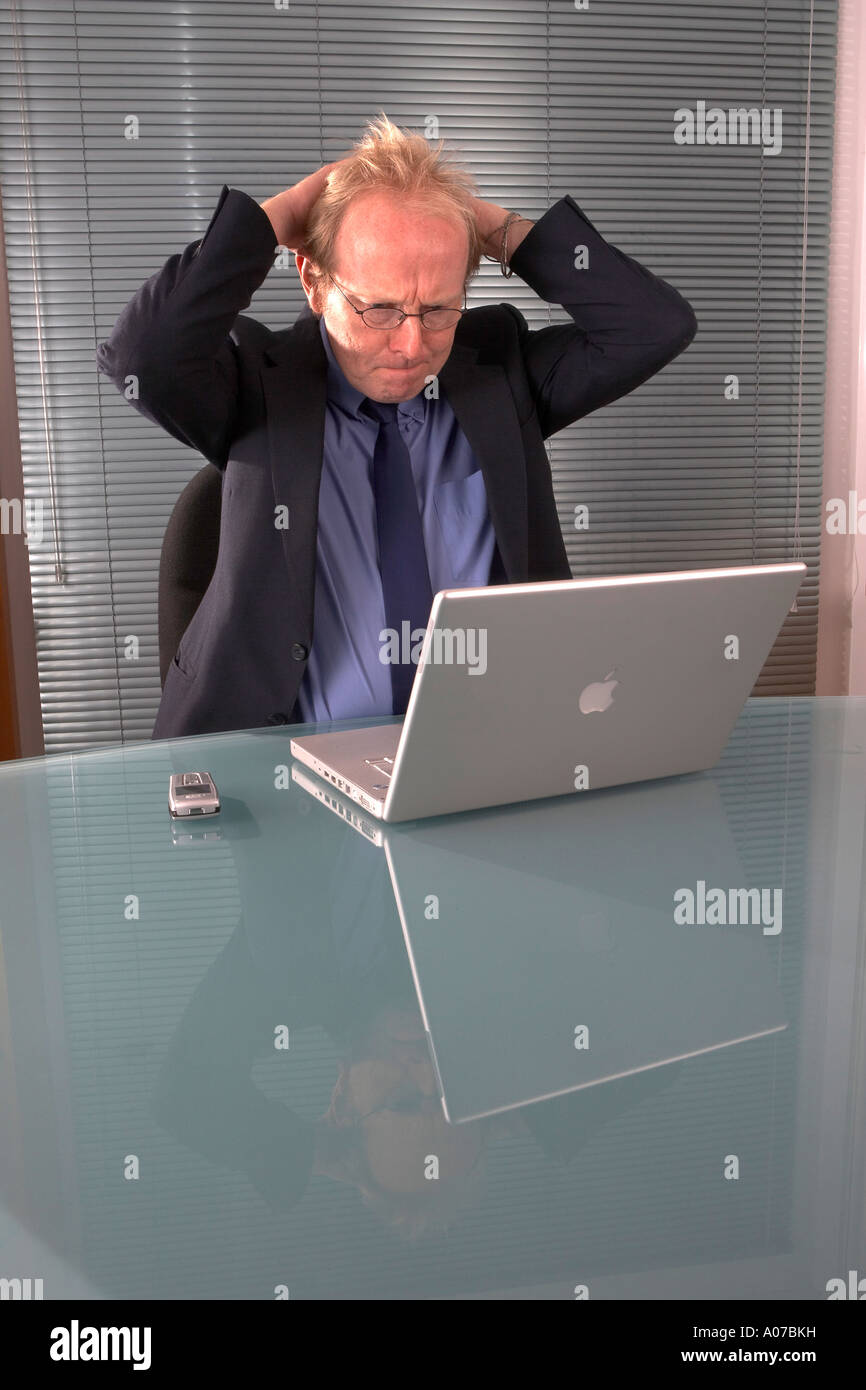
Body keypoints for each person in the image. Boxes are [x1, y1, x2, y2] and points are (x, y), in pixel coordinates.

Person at [96, 113, 697, 740]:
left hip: (486, 757)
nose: (412, 344)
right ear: (314, 281)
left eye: (438, 309)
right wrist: (276, 221)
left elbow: (654, 326)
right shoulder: (255, 383)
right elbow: (143, 355)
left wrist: (490, 227)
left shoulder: (498, 371)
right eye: (379, 309)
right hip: (287, 767)